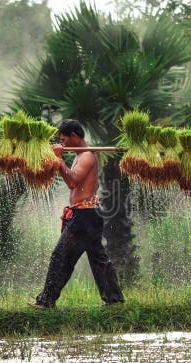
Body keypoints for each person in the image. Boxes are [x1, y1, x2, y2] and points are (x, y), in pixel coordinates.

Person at [31, 119, 125, 308]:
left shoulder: (87, 156)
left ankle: (46, 301)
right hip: (86, 214)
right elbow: (73, 183)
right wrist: (60, 161)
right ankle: (114, 300)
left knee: (61, 256)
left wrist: (58, 160)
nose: (62, 143)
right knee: (99, 259)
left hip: (85, 216)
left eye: (64, 139)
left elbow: (73, 181)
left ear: (74, 136)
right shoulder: (78, 156)